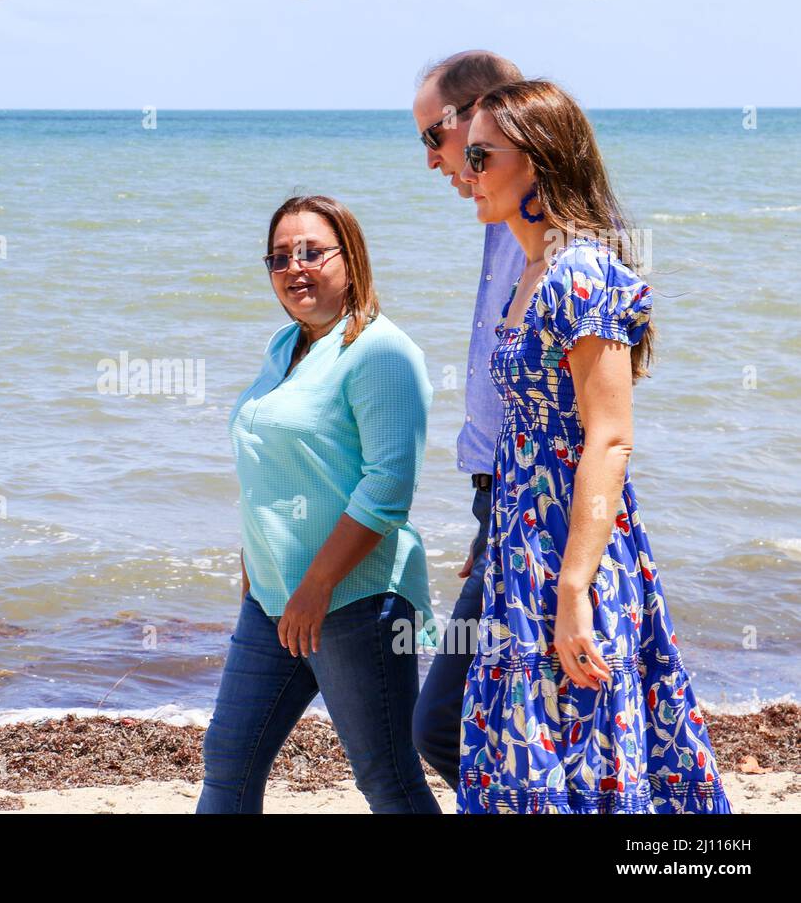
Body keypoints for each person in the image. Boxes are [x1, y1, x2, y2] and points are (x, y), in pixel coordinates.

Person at [454, 79, 732, 812]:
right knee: (529, 760)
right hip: (526, 553)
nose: (467, 169)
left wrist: (574, 586)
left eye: (481, 154)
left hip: (576, 559)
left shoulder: (579, 272)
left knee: (576, 760)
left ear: (538, 162)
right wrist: (498, 539)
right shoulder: (529, 274)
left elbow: (609, 439)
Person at [196, 195, 439, 813]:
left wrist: (317, 587)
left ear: (350, 260)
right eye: (279, 257)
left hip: (354, 601)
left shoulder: (382, 352)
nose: (294, 268)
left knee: (386, 778)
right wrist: (256, 561)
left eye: (311, 252)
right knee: (228, 762)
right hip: (272, 601)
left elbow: (387, 491)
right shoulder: (285, 344)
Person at [409, 50, 525, 793]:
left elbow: (598, 426)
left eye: (433, 137)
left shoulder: (561, 238)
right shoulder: (501, 220)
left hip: (531, 507)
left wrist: (512, 526)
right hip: (503, 503)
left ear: (483, 115)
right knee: (501, 719)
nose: (432, 161)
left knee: (445, 721)